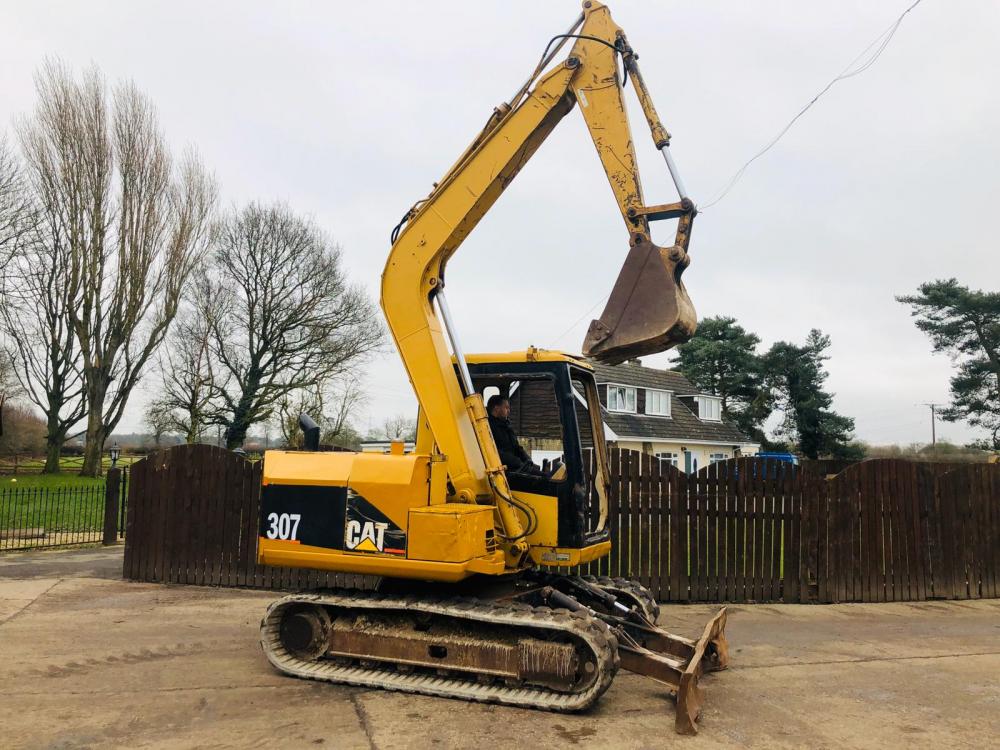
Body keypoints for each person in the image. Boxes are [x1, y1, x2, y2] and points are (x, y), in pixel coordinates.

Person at [486, 394, 538, 473]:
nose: (509, 411)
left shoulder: (506, 425)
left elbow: (516, 447)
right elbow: (495, 452)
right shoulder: (488, 427)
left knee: (539, 471)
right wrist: (517, 462)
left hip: (516, 465)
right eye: (506, 408)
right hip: (505, 469)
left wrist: (527, 459)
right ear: (496, 408)